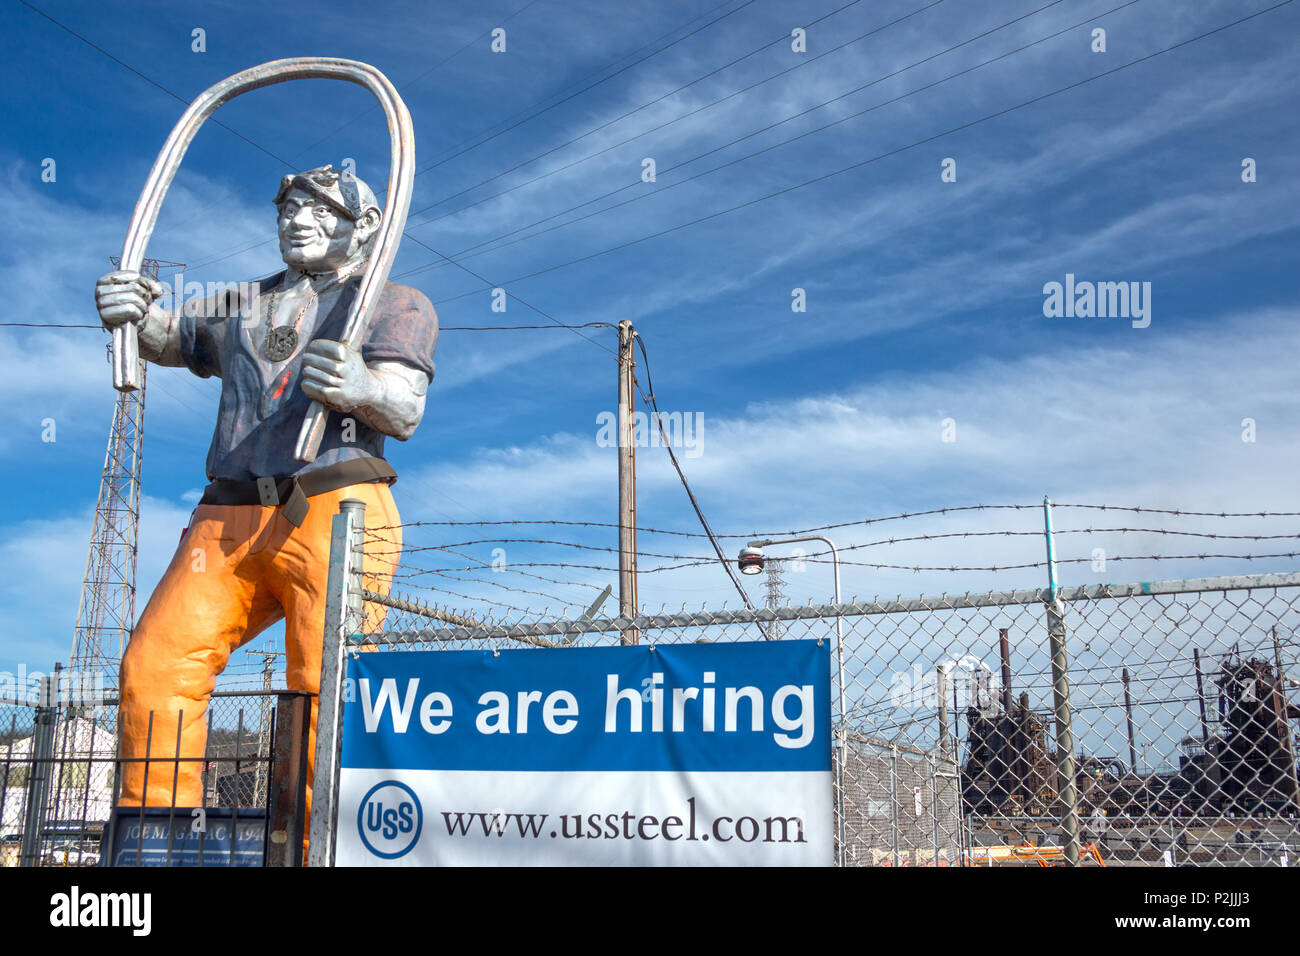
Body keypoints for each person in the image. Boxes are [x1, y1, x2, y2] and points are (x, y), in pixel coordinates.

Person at [94, 165, 436, 827]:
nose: (297, 221)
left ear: (366, 226)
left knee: (319, 685)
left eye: (318, 210)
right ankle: (154, 842)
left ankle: (312, 841)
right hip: (226, 514)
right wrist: (133, 311)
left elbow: (405, 410)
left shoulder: (396, 303)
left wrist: (363, 388)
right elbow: (171, 337)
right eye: (288, 209)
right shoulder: (240, 302)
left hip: (337, 502)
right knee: (157, 664)